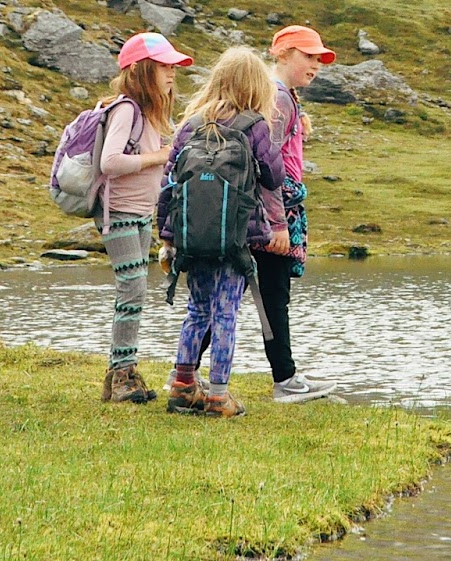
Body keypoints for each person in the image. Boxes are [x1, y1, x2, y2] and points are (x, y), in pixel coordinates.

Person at [155, 47, 285, 418]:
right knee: (225, 312)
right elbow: (274, 175)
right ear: (257, 86)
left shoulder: (191, 124)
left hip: (191, 236)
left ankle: (182, 386)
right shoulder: (254, 125)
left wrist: (167, 236)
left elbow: (170, 183)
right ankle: (218, 395)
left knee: (197, 309)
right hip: (235, 239)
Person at [98, 30, 192, 404]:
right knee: (132, 288)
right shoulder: (126, 110)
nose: (171, 74)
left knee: (134, 289)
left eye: (173, 67)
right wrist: (161, 156)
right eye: (164, 67)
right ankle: (121, 375)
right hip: (118, 211)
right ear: (141, 71)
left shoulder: (148, 114)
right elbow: (110, 162)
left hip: (138, 212)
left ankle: (123, 372)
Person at [255, 24, 338, 402]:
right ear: (283, 53)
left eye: (319, 58)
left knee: (249, 292)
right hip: (271, 213)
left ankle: (185, 372)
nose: (316, 65)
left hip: (265, 210)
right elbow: (267, 162)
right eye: (308, 56)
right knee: (271, 293)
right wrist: (276, 221)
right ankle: (285, 380)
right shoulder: (279, 98)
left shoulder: (281, 96)